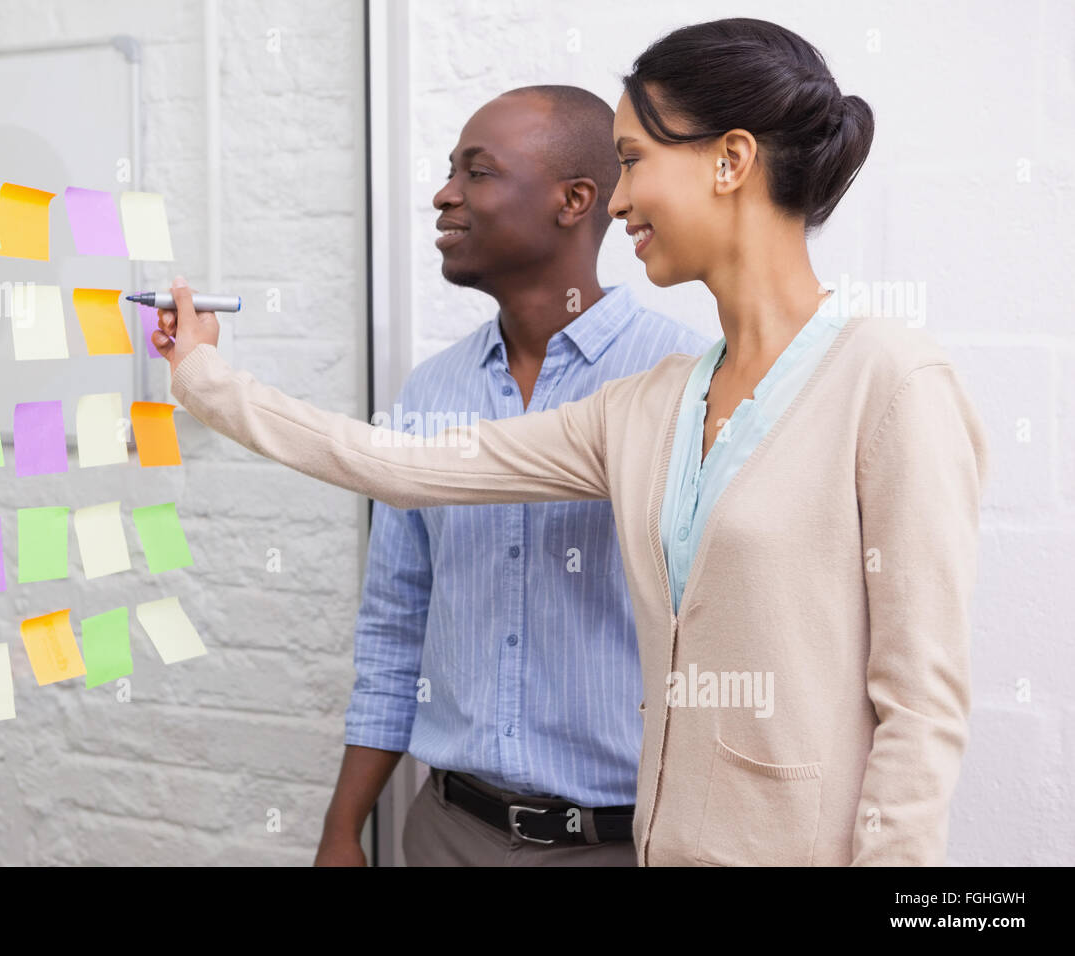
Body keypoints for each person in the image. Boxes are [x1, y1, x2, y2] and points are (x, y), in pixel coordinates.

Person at [154, 18, 990, 866]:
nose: (619, 199)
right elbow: (398, 464)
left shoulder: (890, 382)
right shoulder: (646, 406)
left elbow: (921, 711)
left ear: (729, 161)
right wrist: (204, 379)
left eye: (633, 161)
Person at [311, 86, 711, 867]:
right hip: (447, 835)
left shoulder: (681, 382)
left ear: (574, 200)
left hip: (626, 845)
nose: (445, 193)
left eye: (478, 171)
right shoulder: (431, 393)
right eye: (450, 170)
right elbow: (397, 619)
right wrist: (341, 828)